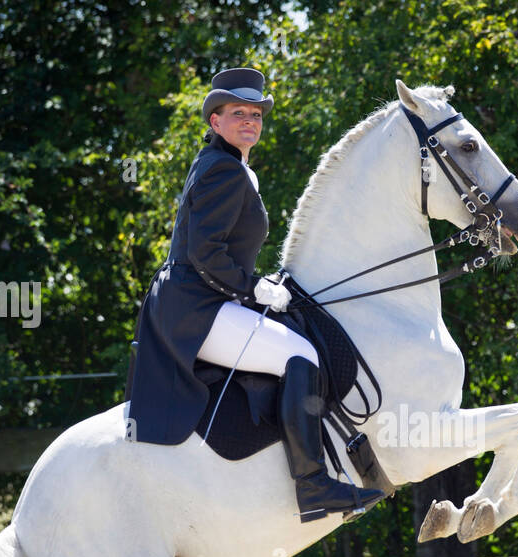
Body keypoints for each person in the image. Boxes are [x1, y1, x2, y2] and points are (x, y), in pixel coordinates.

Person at [124, 67, 382, 522]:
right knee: (300, 355)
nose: (250, 120)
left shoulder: (227, 166)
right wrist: (251, 287)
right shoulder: (224, 171)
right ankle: (313, 485)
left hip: (201, 300)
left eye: (256, 113)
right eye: (238, 113)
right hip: (195, 308)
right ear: (215, 122)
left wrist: (256, 285)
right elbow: (205, 252)